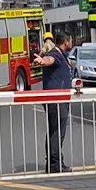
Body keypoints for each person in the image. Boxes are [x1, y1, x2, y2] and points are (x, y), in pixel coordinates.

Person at [32, 32, 74, 173]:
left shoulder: (62, 54)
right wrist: (43, 61)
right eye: (71, 40)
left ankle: (53, 163)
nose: (72, 43)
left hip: (57, 99)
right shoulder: (56, 53)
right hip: (57, 100)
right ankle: (55, 164)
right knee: (57, 132)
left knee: (54, 131)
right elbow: (50, 59)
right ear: (66, 41)